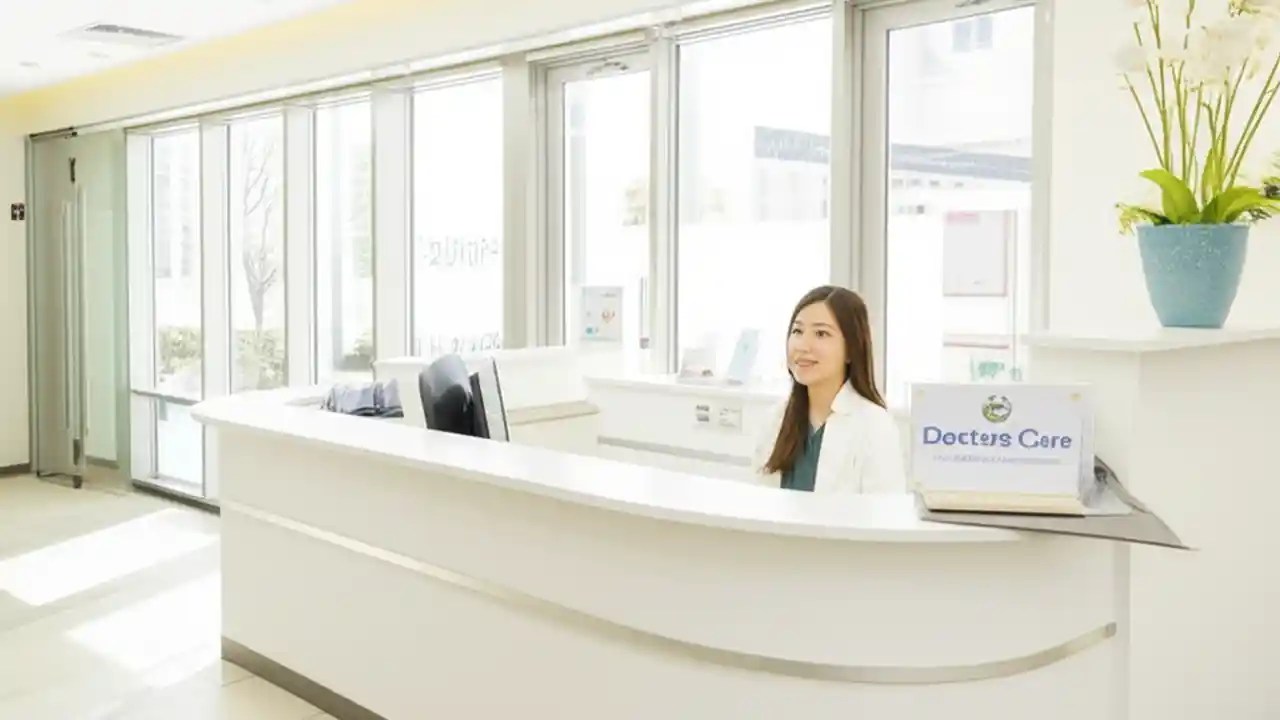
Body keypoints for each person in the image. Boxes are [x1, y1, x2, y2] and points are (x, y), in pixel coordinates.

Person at [751, 285, 907, 494]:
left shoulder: (874, 426)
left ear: (851, 349)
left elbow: (884, 518)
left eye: (821, 334)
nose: (803, 345)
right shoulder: (775, 419)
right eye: (797, 331)